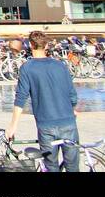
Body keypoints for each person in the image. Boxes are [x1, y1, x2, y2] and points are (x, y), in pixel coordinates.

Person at [5, 30, 80, 172]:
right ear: (46, 46)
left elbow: (21, 98)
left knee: (51, 166)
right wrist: (72, 108)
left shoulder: (27, 68)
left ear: (30, 45)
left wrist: (13, 126)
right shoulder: (60, 65)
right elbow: (72, 94)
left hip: (46, 125)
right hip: (68, 122)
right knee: (73, 167)